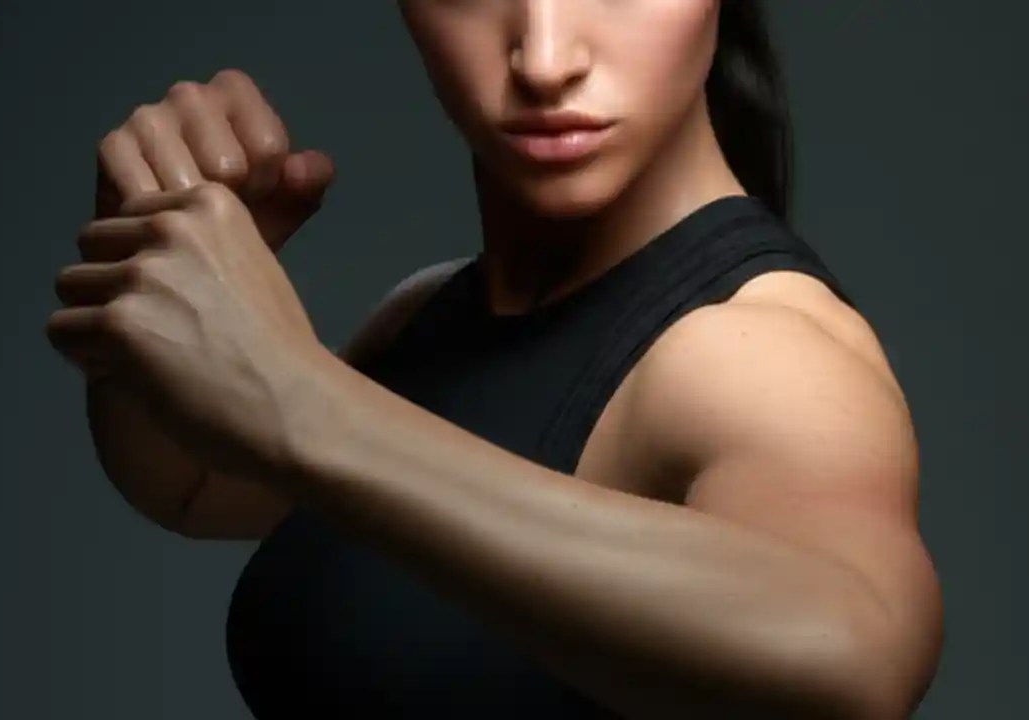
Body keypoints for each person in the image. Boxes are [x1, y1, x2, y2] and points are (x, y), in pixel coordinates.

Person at [50, 0, 943, 717]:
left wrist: (299, 396)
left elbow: (853, 653)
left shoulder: (750, 350)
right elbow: (196, 486)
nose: (545, 54)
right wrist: (151, 248)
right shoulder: (435, 315)